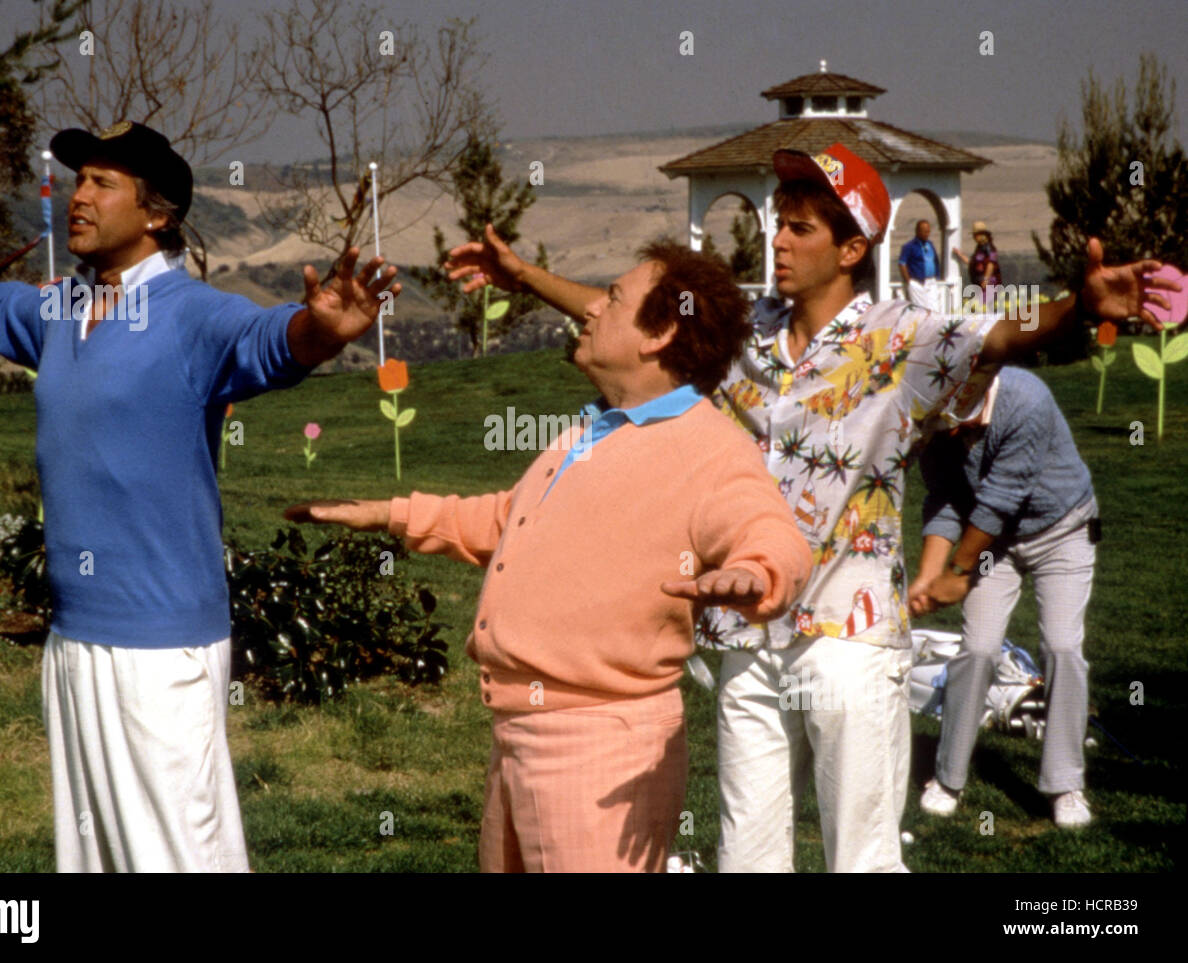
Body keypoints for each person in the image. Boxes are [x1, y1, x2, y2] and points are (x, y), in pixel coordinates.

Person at [443, 142, 1175, 873]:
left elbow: (1012, 334)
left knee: (860, 859)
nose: (778, 240)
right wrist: (526, 275)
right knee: (747, 859)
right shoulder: (744, 337)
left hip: (847, 639)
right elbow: (634, 318)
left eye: (800, 228)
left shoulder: (902, 338)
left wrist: (1081, 304)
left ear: (852, 247)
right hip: (748, 642)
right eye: (778, 222)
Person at [0, 120, 400, 872]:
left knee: (177, 858)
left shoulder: (194, 315)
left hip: (161, 647)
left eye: (103, 183)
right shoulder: (61, 307)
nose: (78, 196)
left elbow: (271, 341)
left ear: (156, 214)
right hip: (75, 639)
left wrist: (322, 334)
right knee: (93, 860)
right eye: (77, 180)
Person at [285, 240, 813, 872]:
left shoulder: (709, 448)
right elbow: (510, 522)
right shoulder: (594, 430)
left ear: (661, 331)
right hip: (520, 733)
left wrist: (758, 573)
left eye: (612, 299)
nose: (590, 312)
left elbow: (769, 529)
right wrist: (389, 514)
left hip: (599, 750)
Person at [909, 366, 1099, 828]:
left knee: (1061, 647)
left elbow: (999, 499)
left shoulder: (1026, 397)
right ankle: (948, 777)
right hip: (994, 545)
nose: (947, 429)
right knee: (978, 649)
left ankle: (1065, 783)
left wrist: (956, 573)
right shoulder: (935, 420)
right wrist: (928, 575)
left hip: (1064, 530)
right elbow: (946, 496)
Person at [953, 221, 1003, 306]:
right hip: (979, 284)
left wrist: (986, 279)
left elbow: (991, 264)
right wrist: (960, 255)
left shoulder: (990, 248)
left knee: (983, 305)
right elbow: (972, 263)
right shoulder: (979, 249)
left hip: (989, 284)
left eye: (975, 235)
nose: (974, 237)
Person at [899, 219, 943, 311]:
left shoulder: (930, 244)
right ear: (918, 231)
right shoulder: (909, 246)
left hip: (931, 282)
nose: (927, 234)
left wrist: (937, 275)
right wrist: (909, 281)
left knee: (935, 309)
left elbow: (935, 260)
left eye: (928, 231)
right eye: (925, 231)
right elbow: (902, 263)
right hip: (917, 282)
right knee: (920, 309)